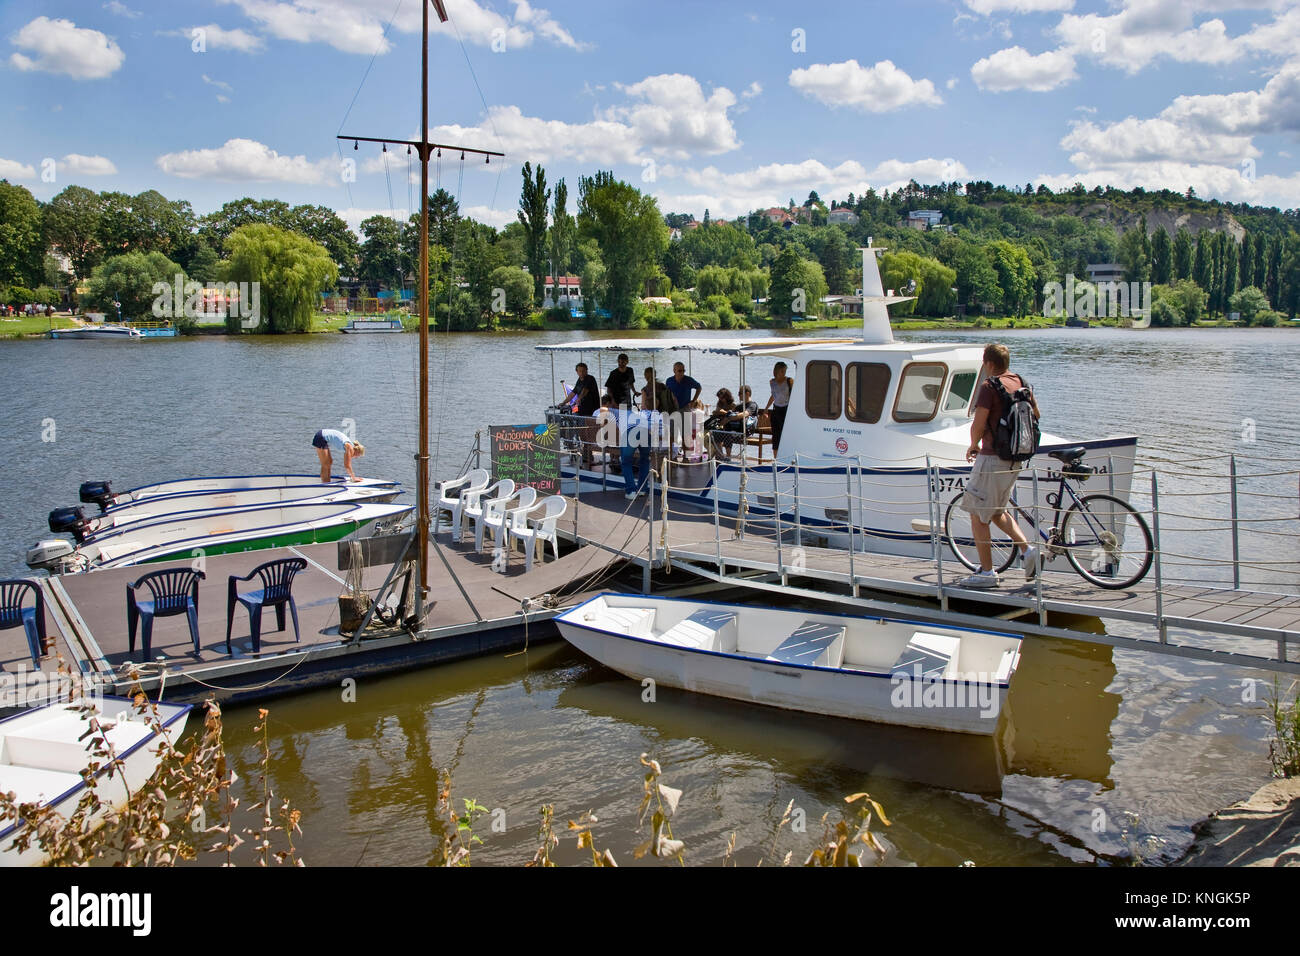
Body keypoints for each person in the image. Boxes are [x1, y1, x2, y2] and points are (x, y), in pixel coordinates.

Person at [957, 343, 1041, 589]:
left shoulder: (989, 386)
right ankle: (1028, 551)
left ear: (989, 364)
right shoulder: (1021, 382)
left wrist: (973, 444)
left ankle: (986, 572)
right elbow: (1037, 414)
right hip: (1015, 458)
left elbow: (979, 423)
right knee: (996, 511)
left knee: (977, 514)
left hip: (992, 457)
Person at [570, 363, 600, 468]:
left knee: (588, 432)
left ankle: (588, 454)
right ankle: (587, 453)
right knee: (582, 431)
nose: (582, 373)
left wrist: (579, 399)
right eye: (579, 371)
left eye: (583, 370)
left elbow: (584, 391)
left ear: (587, 370)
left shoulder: (590, 379)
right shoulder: (579, 380)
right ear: (577, 372)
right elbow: (574, 392)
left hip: (592, 410)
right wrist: (563, 402)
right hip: (582, 410)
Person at [765, 362, 793, 455]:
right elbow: (773, 396)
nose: (784, 372)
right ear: (777, 371)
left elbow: (794, 395)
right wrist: (766, 408)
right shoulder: (772, 382)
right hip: (776, 410)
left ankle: (787, 455)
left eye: (785, 371)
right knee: (776, 436)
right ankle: (776, 458)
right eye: (782, 371)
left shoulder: (789, 381)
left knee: (786, 434)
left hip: (786, 409)